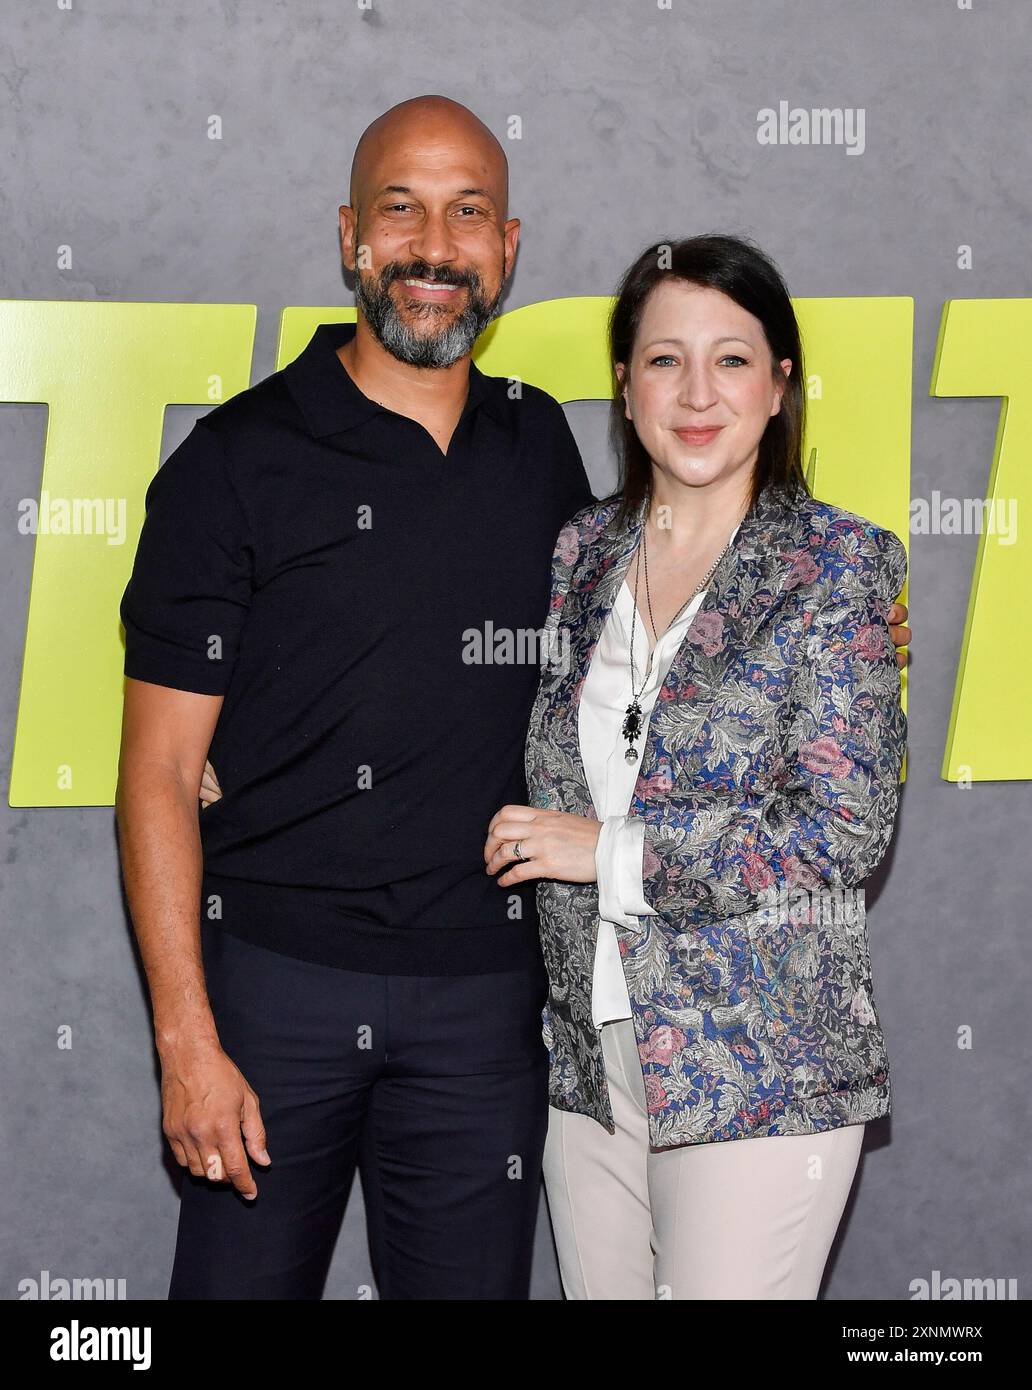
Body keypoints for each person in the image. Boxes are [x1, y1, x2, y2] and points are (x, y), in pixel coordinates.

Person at [123, 95, 912, 1301]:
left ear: (507, 247)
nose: (434, 245)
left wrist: (848, 628)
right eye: (402, 208)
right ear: (350, 236)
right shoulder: (234, 462)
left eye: (468, 213)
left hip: (496, 1013)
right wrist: (187, 1037)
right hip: (278, 988)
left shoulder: (538, 447)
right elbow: (159, 776)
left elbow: (684, 656)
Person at [484, 234, 908, 1299]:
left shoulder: (837, 565)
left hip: (759, 1067)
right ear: (625, 387)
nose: (698, 389)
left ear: (780, 385)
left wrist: (608, 854)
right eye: (665, 359)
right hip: (592, 1065)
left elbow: (840, 828)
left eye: (732, 358)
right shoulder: (582, 554)